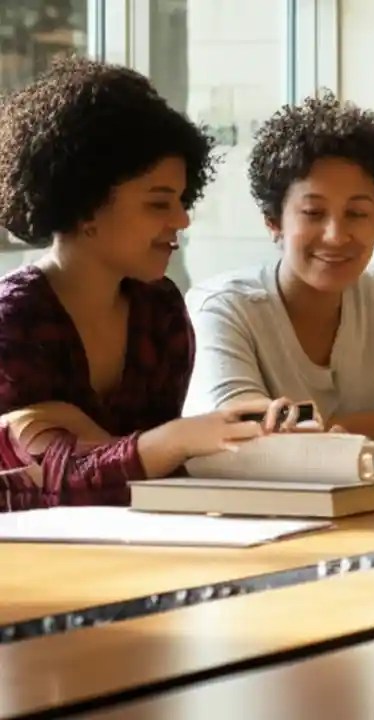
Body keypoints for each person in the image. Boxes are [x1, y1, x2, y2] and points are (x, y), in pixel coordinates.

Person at [0, 58, 293, 512]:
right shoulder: (13, 322)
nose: (181, 220)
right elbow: (42, 488)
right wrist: (175, 440)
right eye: (158, 204)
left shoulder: (161, 312)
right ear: (87, 206)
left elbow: (142, 479)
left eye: (180, 200)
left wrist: (250, 441)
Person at [184, 92, 374, 465]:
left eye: (357, 213)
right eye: (313, 213)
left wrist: (332, 428)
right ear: (273, 220)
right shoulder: (221, 308)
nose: (335, 235)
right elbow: (251, 448)